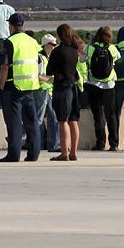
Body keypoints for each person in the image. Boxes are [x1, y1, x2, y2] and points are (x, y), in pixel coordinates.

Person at [0, 13, 42, 163]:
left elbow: (4, 66)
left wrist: (1, 86)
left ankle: (13, 154)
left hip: (12, 86)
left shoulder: (10, 42)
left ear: (11, 26)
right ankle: (33, 154)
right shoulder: (32, 41)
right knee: (32, 122)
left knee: (14, 122)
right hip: (30, 86)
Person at [46, 23, 81, 161]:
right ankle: (73, 152)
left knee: (62, 121)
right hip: (73, 86)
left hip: (62, 87)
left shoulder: (58, 51)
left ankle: (64, 153)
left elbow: (49, 70)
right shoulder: (74, 50)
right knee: (73, 120)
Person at [84, 26, 121, 151]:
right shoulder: (112, 48)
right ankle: (114, 143)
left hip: (93, 84)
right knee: (111, 114)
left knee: (98, 115)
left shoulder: (90, 48)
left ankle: (100, 143)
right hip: (109, 85)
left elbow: (82, 59)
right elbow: (117, 59)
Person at [37, 34, 61, 153]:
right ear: (46, 45)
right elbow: (38, 76)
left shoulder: (49, 57)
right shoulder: (40, 58)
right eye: (52, 44)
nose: (54, 47)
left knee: (53, 119)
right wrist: (51, 79)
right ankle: (41, 144)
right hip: (42, 91)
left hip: (49, 91)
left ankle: (52, 144)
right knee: (41, 120)